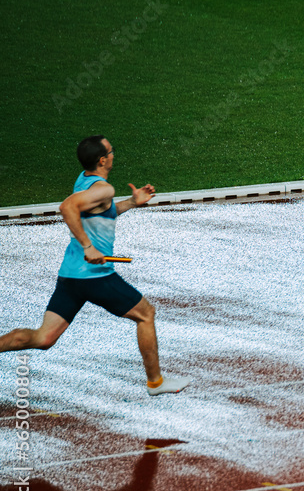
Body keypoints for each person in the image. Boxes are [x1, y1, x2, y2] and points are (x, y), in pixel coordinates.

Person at [0, 136, 191, 396]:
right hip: (95, 276)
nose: (114, 154)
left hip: (71, 276)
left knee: (43, 338)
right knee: (146, 314)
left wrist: (132, 203)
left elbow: (98, 211)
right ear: (103, 160)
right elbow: (67, 207)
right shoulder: (104, 189)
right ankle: (156, 382)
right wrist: (89, 246)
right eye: (112, 151)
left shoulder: (84, 180)